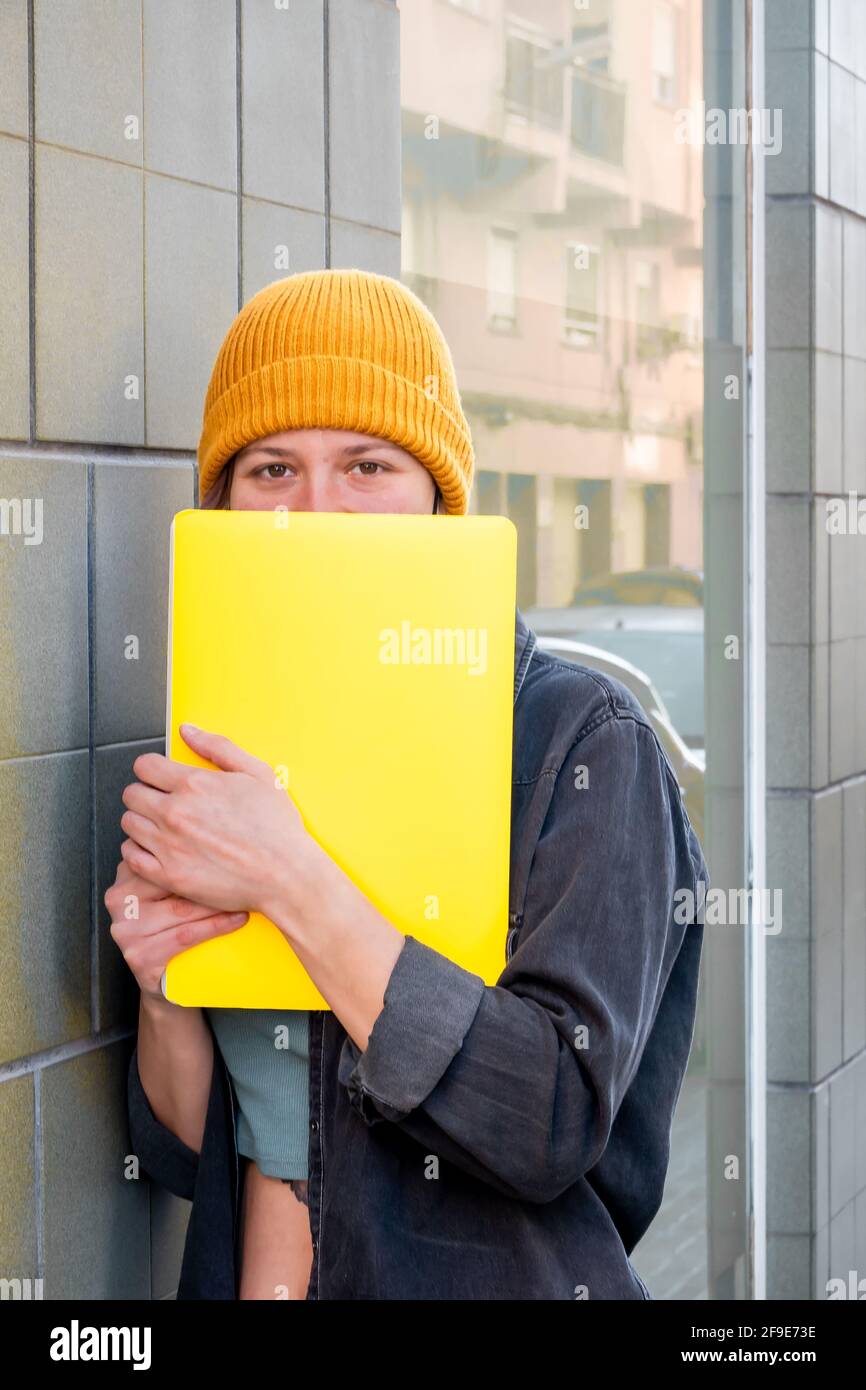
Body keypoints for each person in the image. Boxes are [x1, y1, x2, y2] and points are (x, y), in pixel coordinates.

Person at [107, 267, 708, 1301]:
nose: (319, 509)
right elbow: (181, 1155)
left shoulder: (582, 741)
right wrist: (166, 997)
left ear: (440, 498)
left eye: (368, 464)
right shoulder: (214, 748)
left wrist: (293, 882)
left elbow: (550, 1119)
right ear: (223, 503)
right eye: (270, 469)